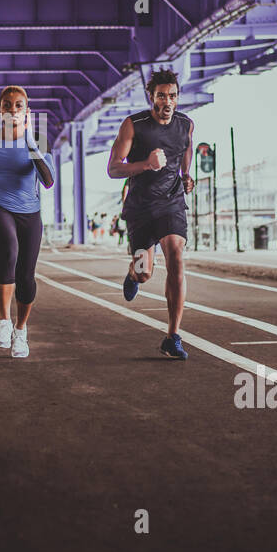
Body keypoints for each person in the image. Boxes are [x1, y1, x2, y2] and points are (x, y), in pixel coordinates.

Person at [107, 68, 194, 360]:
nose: (166, 102)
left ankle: (172, 336)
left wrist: (186, 174)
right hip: (141, 208)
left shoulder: (186, 124)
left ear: (177, 98)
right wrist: (145, 164)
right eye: (161, 96)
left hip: (171, 204)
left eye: (172, 96)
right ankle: (133, 274)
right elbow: (114, 168)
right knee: (145, 273)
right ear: (151, 97)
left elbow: (186, 148)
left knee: (177, 258)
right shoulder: (134, 125)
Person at [0, 85, 55, 358]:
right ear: (0, 110)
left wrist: (28, 141)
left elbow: (48, 181)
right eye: (7, 105)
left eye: (18, 105)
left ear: (27, 111)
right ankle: (3, 322)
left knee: (26, 275)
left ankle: (21, 330)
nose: (12, 110)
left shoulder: (37, 141)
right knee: (10, 252)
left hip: (30, 212)